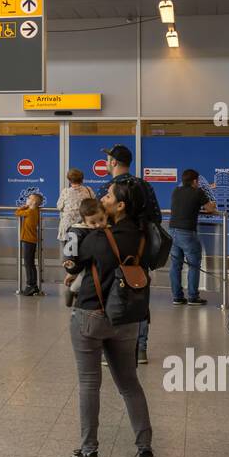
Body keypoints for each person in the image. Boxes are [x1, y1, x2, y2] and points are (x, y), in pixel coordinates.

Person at [61, 179, 159, 457]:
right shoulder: (142, 236)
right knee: (130, 384)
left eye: (108, 195)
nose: (103, 197)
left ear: (120, 205)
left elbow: (71, 261)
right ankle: (146, 452)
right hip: (128, 320)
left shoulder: (97, 237)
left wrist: (77, 231)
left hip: (91, 315)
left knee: (90, 384)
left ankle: (89, 452)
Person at [98, 144, 161, 363]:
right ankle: (140, 348)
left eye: (108, 159)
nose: (106, 163)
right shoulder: (145, 186)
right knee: (139, 295)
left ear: (114, 162)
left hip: (114, 251)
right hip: (140, 252)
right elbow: (157, 219)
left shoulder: (109, 188)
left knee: (112, 295)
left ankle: (114, 347)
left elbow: (100, 220)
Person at [168, 169, 217, 307]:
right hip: (187, 233)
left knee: (175, 265)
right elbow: (210, 208)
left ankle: (177, 297)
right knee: (194, 265)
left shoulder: (176, 191)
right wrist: (211, 204)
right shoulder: (198, 192)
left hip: (172, 231)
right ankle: (193, 297)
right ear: (195, 181)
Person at [62, 197, 106, 309]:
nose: (98, 225)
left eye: (101, 219)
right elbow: (70, 246)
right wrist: (69, 260)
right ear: (84, 221)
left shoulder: (107, 227)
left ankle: (74, 291)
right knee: (83, 276)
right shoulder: (77, 230)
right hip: (83, 260)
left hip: (96, 260)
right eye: (92, 222)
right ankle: (72, 291)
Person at [15, 191, 45, 297]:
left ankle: (30, 285)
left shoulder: (30, 211)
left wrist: (23, 207)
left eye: (29, 198)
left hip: (28, 240)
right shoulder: (35, 210)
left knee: (28, 264)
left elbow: (17, 212)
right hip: (31, 240)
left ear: (33, 202)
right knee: (30, 263)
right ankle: (33, 285)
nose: (27, 199)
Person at [55, 168, 95, 245]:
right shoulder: (88, 190)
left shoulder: (65, 192)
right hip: (84, 225)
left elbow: (59, 207)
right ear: (82, 179)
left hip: (67, 227)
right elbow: (93, 204)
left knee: (68, 253)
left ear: (69, 180)